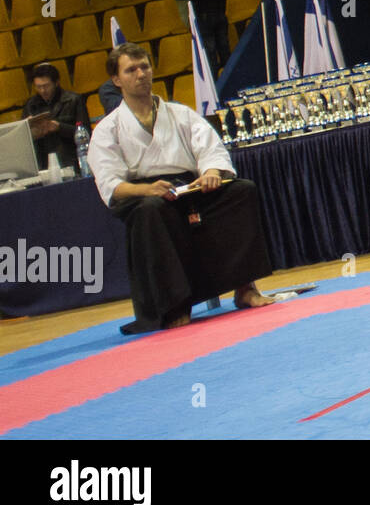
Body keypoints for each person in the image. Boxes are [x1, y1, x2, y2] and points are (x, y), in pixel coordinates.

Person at [86, 43, 274, 334]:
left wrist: (211, 172)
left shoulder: (178, 113)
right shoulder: (108, 129)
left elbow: (209, 147)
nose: (141, 74)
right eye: (131, 70)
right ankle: (175, 306)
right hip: (143, 197)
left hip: (188, 187)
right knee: (154, 209)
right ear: (116, 80)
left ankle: (244, 288)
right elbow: (111, 185)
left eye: (145, 67)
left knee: (241, 191)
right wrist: (146, 190)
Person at [21, 62, 89, 169]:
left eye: (46, 86)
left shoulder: (74, 99)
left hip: (70, 159)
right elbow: (23, 141)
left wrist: (59, 127)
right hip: (43, 162)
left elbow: (86, 133)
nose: (43, 90)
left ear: (56, 82)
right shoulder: (30, 105)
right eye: (38, 87)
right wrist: (29, 130)